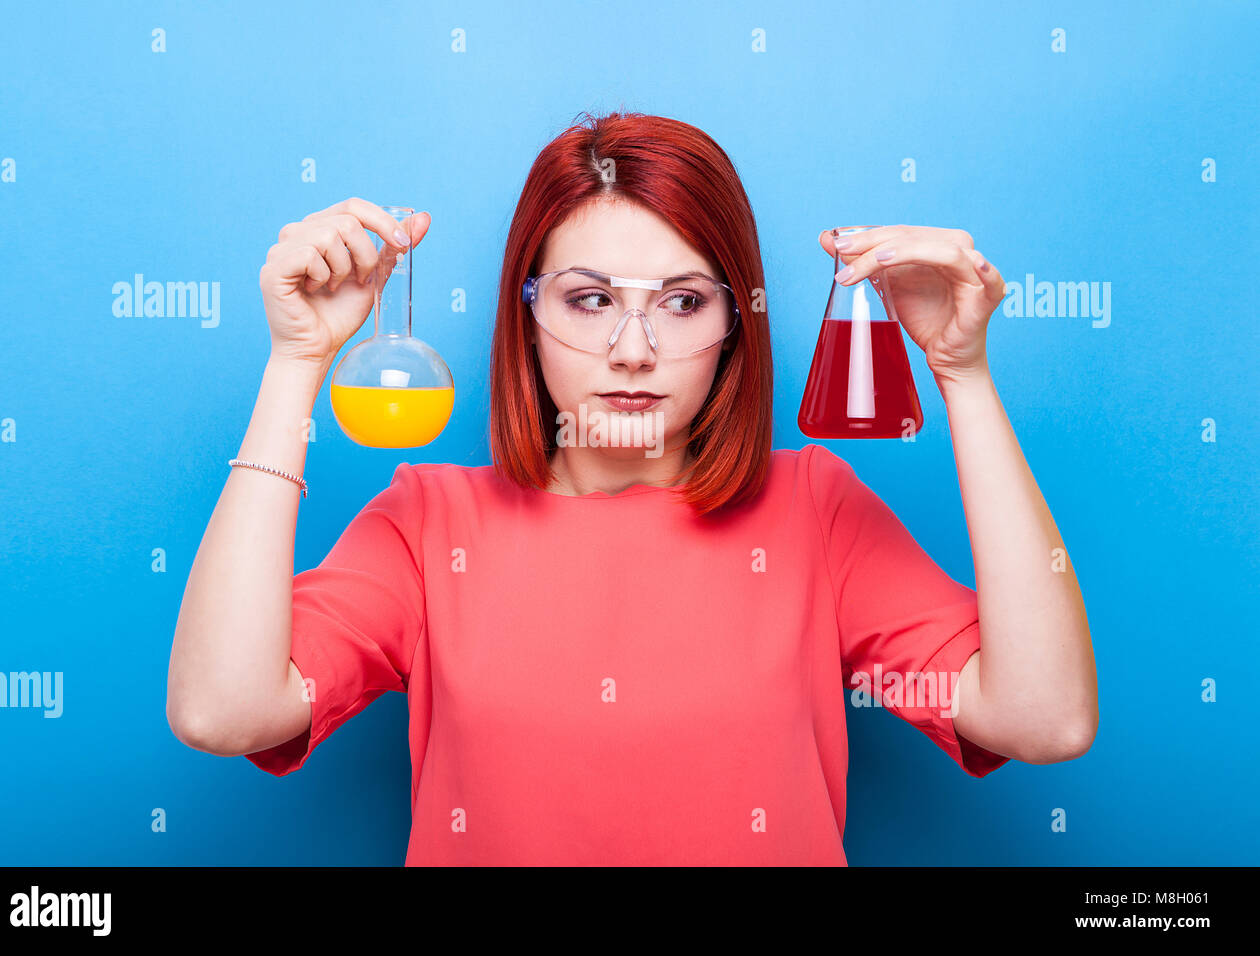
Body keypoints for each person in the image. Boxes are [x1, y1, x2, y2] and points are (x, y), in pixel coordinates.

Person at [166, 111, 1098, 866]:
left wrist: (962, 373)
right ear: (527, 312)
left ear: (736, 324)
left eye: (683, 302)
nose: (634, 350)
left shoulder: (814, 510)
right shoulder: (428, 522)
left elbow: (1045, 719)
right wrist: (295, 364)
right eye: (590, 299)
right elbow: (222, 710)